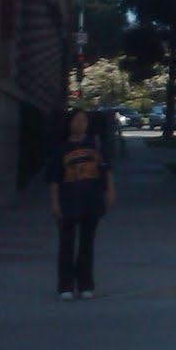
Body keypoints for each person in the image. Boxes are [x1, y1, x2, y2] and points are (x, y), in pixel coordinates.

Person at [46, 108, 115, 300]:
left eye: (84, 121)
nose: (80, 124)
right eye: (77, 120)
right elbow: (54, 179)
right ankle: (65, 285)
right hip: (68, 198)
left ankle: (86, 284)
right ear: (69, 123)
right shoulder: (61, 148)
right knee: (66, 242)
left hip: (91, 198)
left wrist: (109, 191)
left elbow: (106, 169)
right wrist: (55, 203)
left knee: (87, 242)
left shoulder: (94, 145)